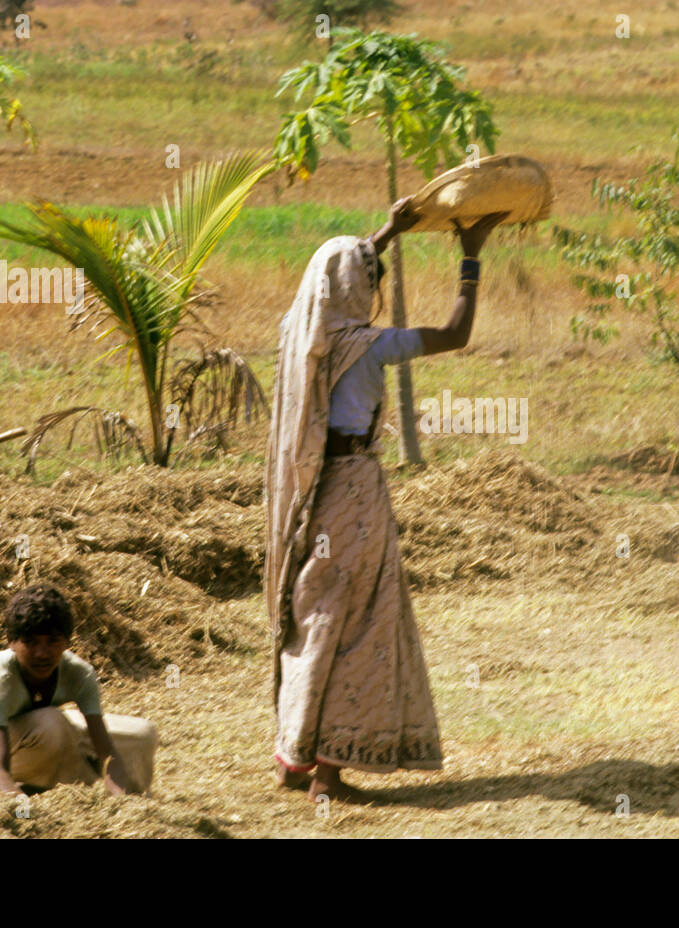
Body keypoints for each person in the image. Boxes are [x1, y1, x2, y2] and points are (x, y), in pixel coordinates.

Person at [265, 197, 506, 803]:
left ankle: (295, 755)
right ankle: (328, 772)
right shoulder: (372, 346)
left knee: (312, 614)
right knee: (358, 621)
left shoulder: (300, 338)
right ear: (359, 288)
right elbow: (457, 333)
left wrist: (391, 230)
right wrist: (470, 261)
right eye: (373, 280)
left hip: (309, 499)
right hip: (356, 493)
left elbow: (339, 271)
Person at [0, 583, 157, 795]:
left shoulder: (78, 673)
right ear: (12, 642)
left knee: (142, 735)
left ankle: (125, 792)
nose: (42, 653)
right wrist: (20, 808)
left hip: (29, 723)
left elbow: (106, 750)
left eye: (52, 641)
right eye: (31, 642)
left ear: (67, 642)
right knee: (51, 724)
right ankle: (46, 786)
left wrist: (123, 805)